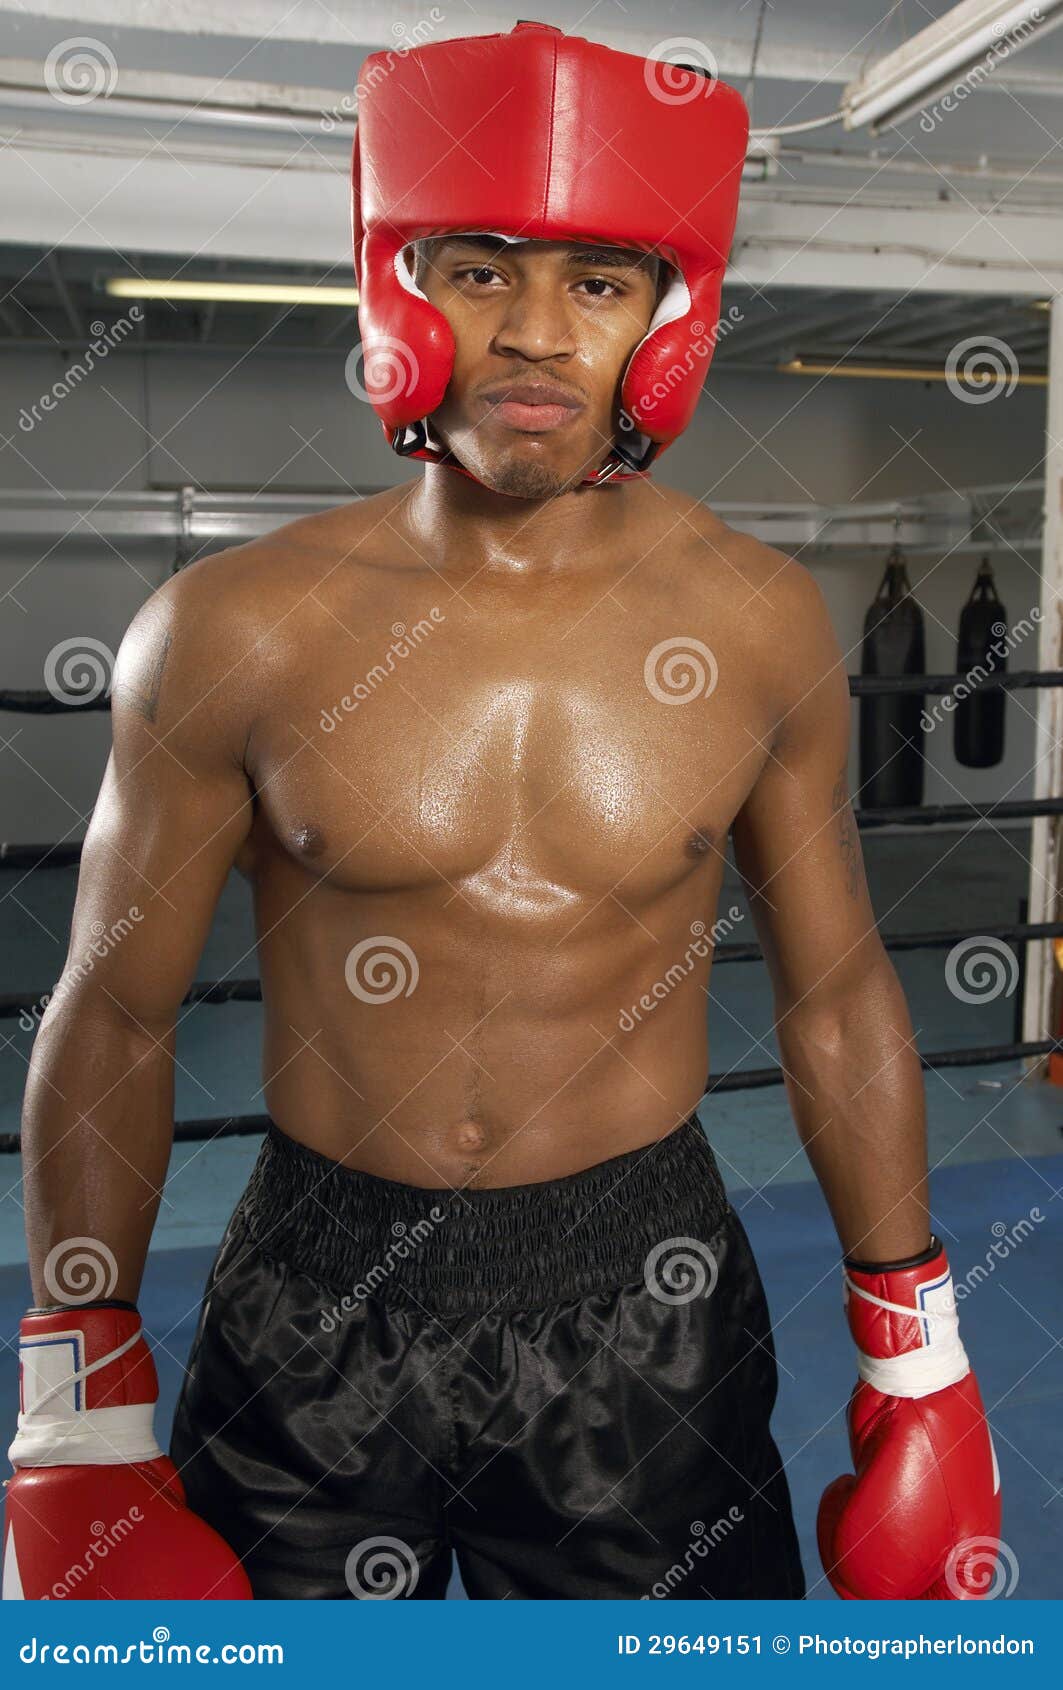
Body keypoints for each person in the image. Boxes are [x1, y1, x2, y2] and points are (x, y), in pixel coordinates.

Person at [4, 22, 998, 1602]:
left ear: (662, 322)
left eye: (598, 284)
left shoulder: (758, 621)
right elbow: (115, 1011)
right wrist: (73, 1409)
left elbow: (835, 990)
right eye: (480, 271)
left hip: (646, 1311)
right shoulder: (232, 628)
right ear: (401, 295)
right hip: (309, 1311)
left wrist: (921, 1354)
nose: (537, 332)